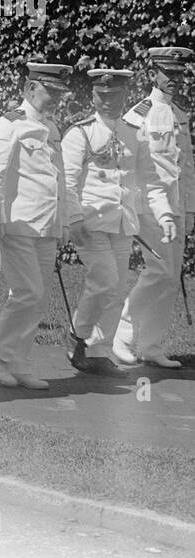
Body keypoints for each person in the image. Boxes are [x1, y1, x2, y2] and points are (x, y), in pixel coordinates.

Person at [0, 61, 72, 389]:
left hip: (45, 227)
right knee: (27, 291)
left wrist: (64, 222)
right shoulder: (8, 126)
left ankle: (18, 361)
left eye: (60, 92)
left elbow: (59, 181)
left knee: (38, 296)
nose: (57, 98)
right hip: (17, 224)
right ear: (31, 88)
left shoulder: (51, 127)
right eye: (51, 91)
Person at [62, 68, 159, 377]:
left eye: (114, 95)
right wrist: (73, 217)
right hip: (90, 221)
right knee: (103, 279)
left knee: (117, 288)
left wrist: (150, 218)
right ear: (92, 96)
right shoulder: (81, 132)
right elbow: (66, 181)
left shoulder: (134, 132)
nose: (107, 102)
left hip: (122, 222)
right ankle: (78, 337)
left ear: (125, 96)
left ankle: (98, 351)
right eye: (101, 96)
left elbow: (144, 179)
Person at [112, 47, 195, 369]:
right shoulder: (138, 115)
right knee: (158, 271)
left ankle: (151, 345)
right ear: (153, 75)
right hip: (148, 207)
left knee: (171, 277)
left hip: (175, 208)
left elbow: (185, 168)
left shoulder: (181, 115)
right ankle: (123, 335)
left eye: (179, 74)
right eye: (168, 73)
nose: (174, 80)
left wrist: (188, 211)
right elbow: (129, 166)